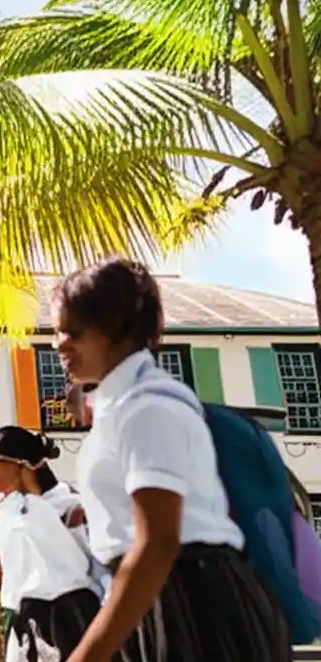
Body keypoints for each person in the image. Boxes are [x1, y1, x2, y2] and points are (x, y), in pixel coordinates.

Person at [54, 257, 289, 662]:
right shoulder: (122, 406)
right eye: (58, 331)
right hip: (154, 598)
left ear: (116, 326)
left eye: (74, 332)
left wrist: (87, 656)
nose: (60, 344)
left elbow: (158, 542)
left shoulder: (150, 409)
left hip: (189, 603)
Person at [0, 426, 101, 661]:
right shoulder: (7, 511)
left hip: (70, 619)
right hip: (25, 620)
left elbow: (99, 570)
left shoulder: (71, 507)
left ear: (20, 463)